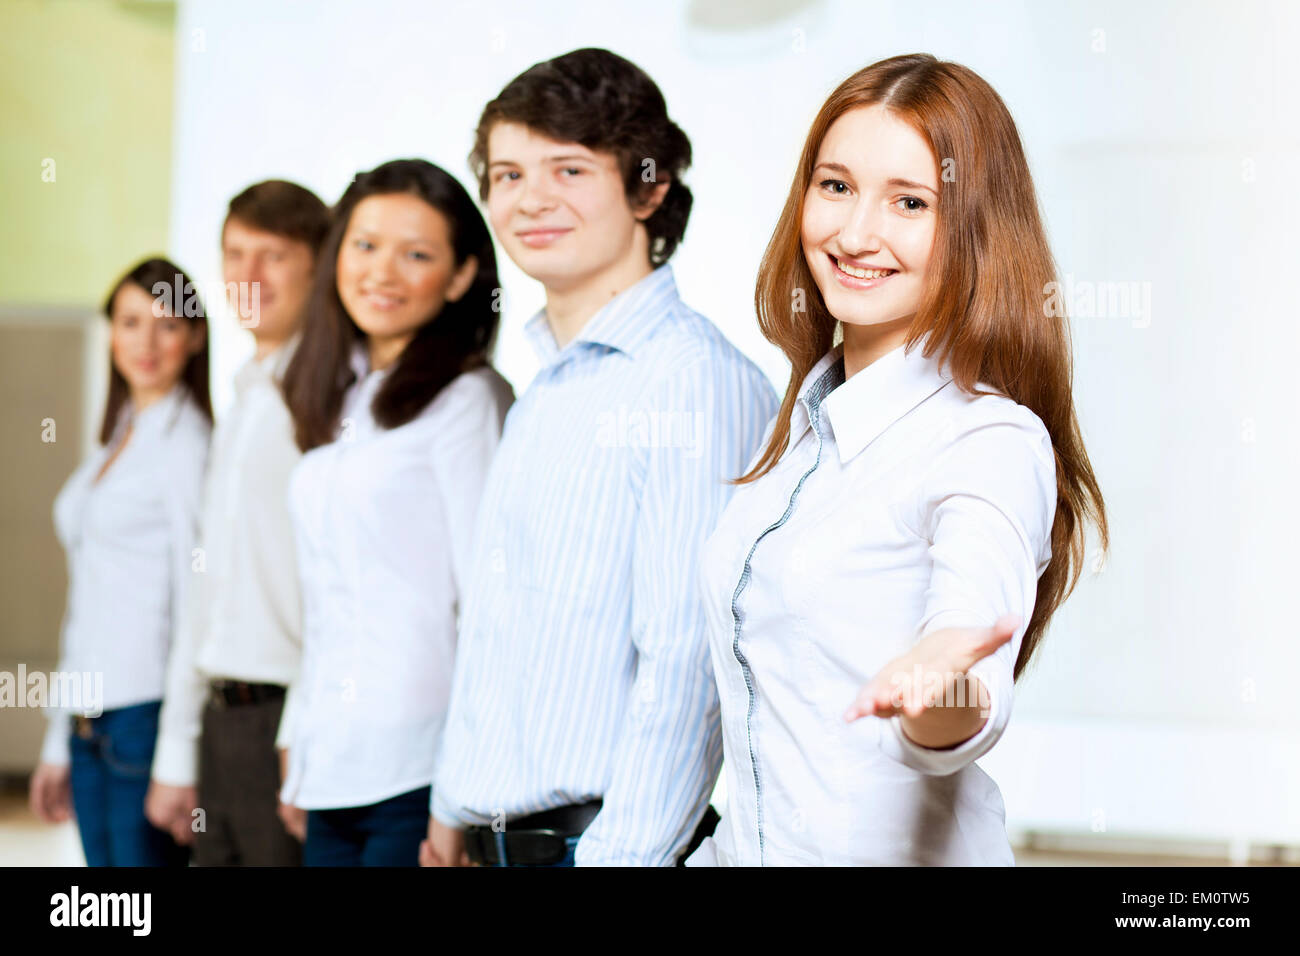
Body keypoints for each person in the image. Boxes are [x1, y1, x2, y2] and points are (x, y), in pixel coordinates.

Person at [685, 53, 1110, 867]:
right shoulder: (803, 432)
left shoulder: (987, 440)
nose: (853, 234)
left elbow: (967, 664)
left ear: (975, 229)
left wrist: (940, 687)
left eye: (909, 202)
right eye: (835, 186)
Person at [421, 48, 778, 868]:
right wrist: (451, 809)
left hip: (605, 846)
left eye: (568, 169)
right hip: (493, 843)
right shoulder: (545, 387)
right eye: (506, 174)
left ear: (649, 188)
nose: (529, 198)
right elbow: (495, 632)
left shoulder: (695, 382)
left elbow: (689, 660)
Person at [278, 159, 513, 867]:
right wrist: (302, 733)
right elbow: (327, 598)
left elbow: (490, 605)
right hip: (332, 763)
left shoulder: (468, 401)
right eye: (366, 244)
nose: (382, 271)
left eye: (416, 254)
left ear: (462, 276)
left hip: (420, 768)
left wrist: (461, 792)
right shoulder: (344, 395)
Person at [144, 181, 331, 865]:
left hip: (281, 725)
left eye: (272, 255)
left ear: (319, 264)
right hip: (220, 728)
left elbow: (340, 590)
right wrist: (177, 749)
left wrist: (307, 741)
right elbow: (208, 591)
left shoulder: (327, 400)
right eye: (233, 253)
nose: (247, 276)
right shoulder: (247, 395)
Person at [28, 258, 212, 866]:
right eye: (131, 322)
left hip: (143, 718)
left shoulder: (188, 446)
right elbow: (88, 603)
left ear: (196, 336)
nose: (146, 343)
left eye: (166, 325)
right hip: (88, 720)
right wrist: (58, 738)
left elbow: (198, 600)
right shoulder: (118, 437)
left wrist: (177, 757)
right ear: (110, 331)